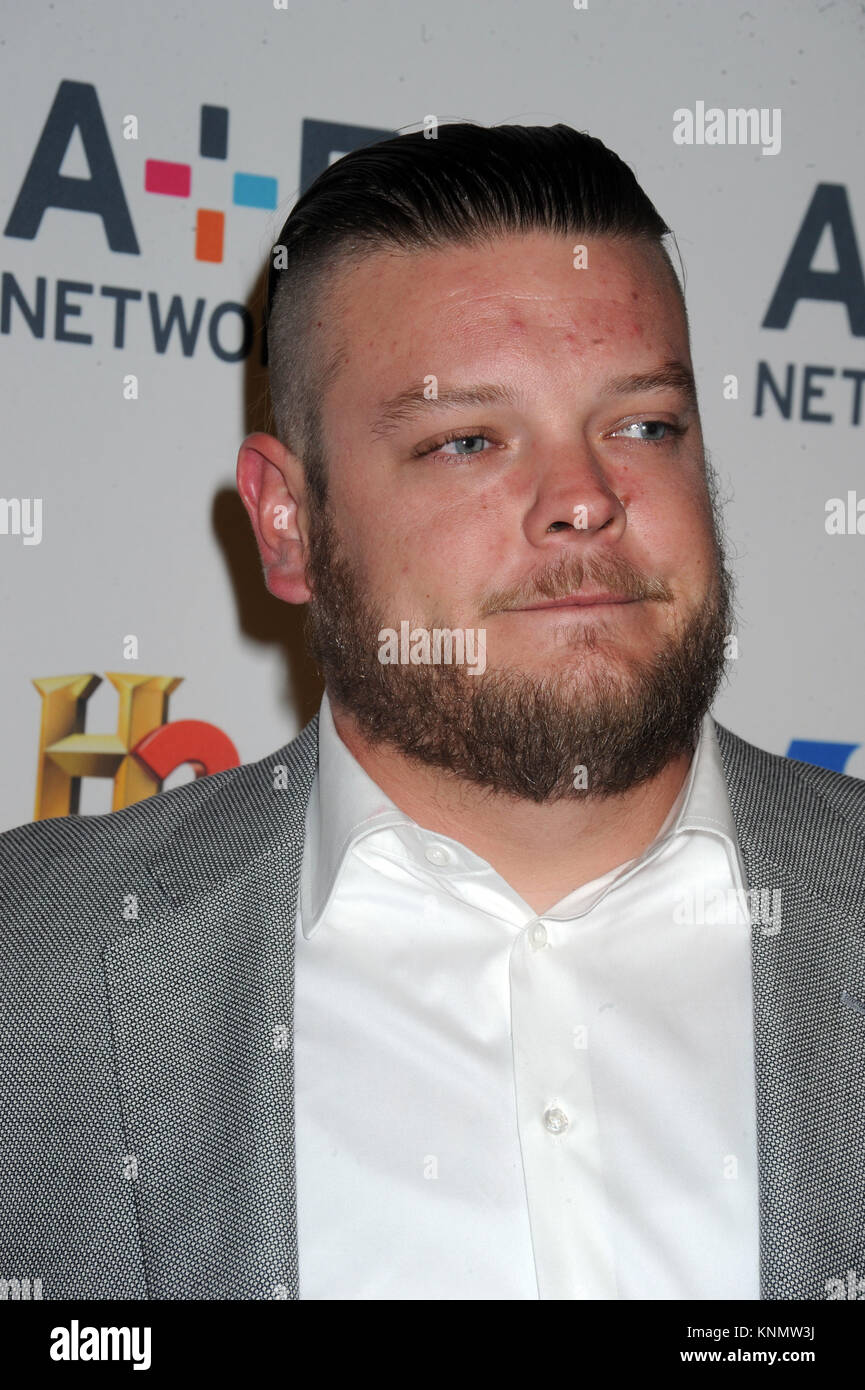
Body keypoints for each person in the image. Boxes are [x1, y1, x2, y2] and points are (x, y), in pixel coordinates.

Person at [1, 123, 863, 1302]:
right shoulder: (29, 972)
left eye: (642, 425)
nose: (584, 501)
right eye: (465, 440)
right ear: (287, 523)